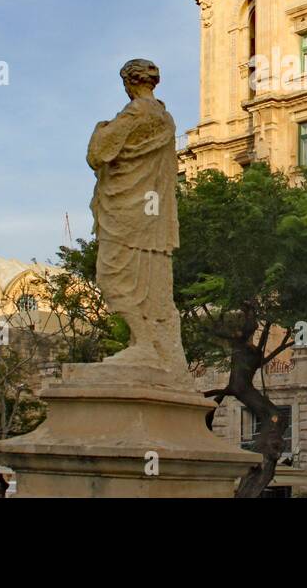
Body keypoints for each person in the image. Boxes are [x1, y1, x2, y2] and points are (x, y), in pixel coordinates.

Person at [86, 59, 187, 375]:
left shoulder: (135, 114)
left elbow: (98, 152)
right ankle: (147, 344)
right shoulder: (165, 118)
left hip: (127, 212)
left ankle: (144, 343)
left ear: (129, 83)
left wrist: (100, 127)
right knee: (146, 278)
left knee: (111, 275)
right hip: (151, 212)